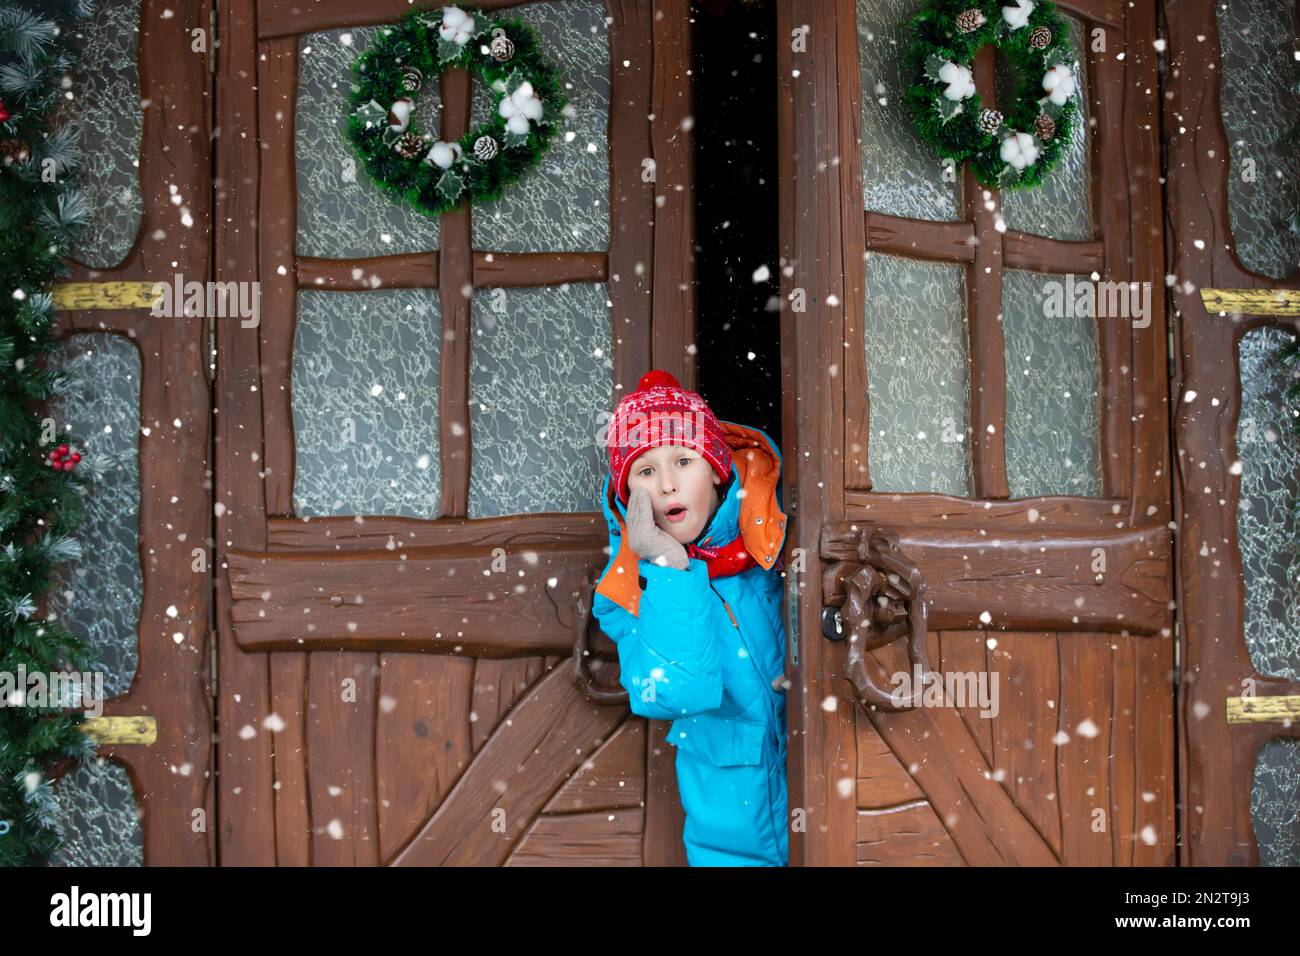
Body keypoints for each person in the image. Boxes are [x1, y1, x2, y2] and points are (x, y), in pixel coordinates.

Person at [592, 369, 789, 866]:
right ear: (627, 495)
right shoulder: (627, 589)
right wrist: (667, 566)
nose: (668, 484)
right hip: (734, 834)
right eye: (645, 471)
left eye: (683, 460)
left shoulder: (772, 547)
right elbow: (680, 691)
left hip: (830, 797)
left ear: (718, 474)